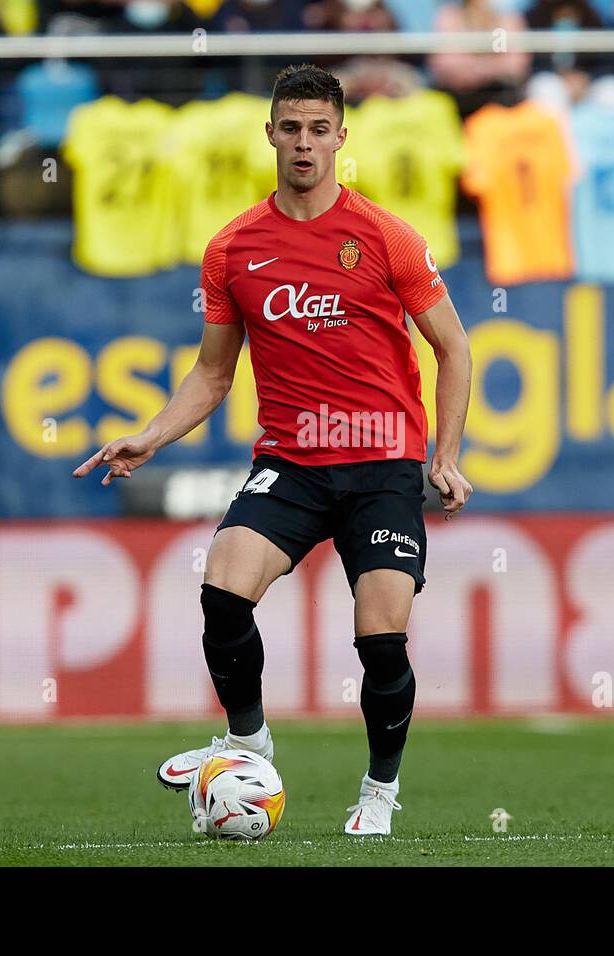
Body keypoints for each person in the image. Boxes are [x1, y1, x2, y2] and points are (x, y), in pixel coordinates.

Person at [73, 63, 473, 836]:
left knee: (380, 638)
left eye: (319, 129)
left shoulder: (386, 236)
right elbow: (213, 372)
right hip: (290, 461)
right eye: (290, 128)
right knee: (223, 585)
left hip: (382, 463)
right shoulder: (232, 250)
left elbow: (454, 348)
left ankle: (379, 797)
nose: (303, 143)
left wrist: (444, 456)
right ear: (269, 135)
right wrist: (150, 437)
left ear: (340, 139)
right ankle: (248, 745)